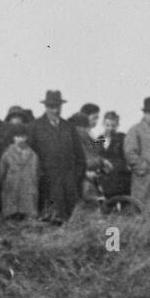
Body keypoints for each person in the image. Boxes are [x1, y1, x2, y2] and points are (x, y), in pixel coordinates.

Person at [30, 89, 87, 222]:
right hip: (47, 185)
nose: (55, 110)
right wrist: (41, 177)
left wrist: (75, 177)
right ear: (45, 107)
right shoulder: (35, 127)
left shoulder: (69, 127)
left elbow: (80, 157)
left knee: (69, 221)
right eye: (51, 107)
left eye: (58, 107)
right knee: (50, 222)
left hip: (69, 185)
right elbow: (31, 157)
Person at [1, 126, 39, 219]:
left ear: (26, 138)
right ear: (13, 138)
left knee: (28, 208)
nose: (20, 139)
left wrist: (33, 182)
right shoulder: (7, 154)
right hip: (12, 185)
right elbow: (2, 172)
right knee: (11, 210)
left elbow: (36, 172)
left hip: (28, 186)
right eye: (17, 137)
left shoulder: (32, 155)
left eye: (23, 137)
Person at [96, 111, 130, 199]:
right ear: (103, 124)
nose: (110, 128)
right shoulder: (100, 138)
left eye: (113, 126)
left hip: (120, 176)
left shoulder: (121, 137)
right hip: (105, 176)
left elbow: (127, 155)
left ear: (117, 125)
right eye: (107, 125)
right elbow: (96, 154)